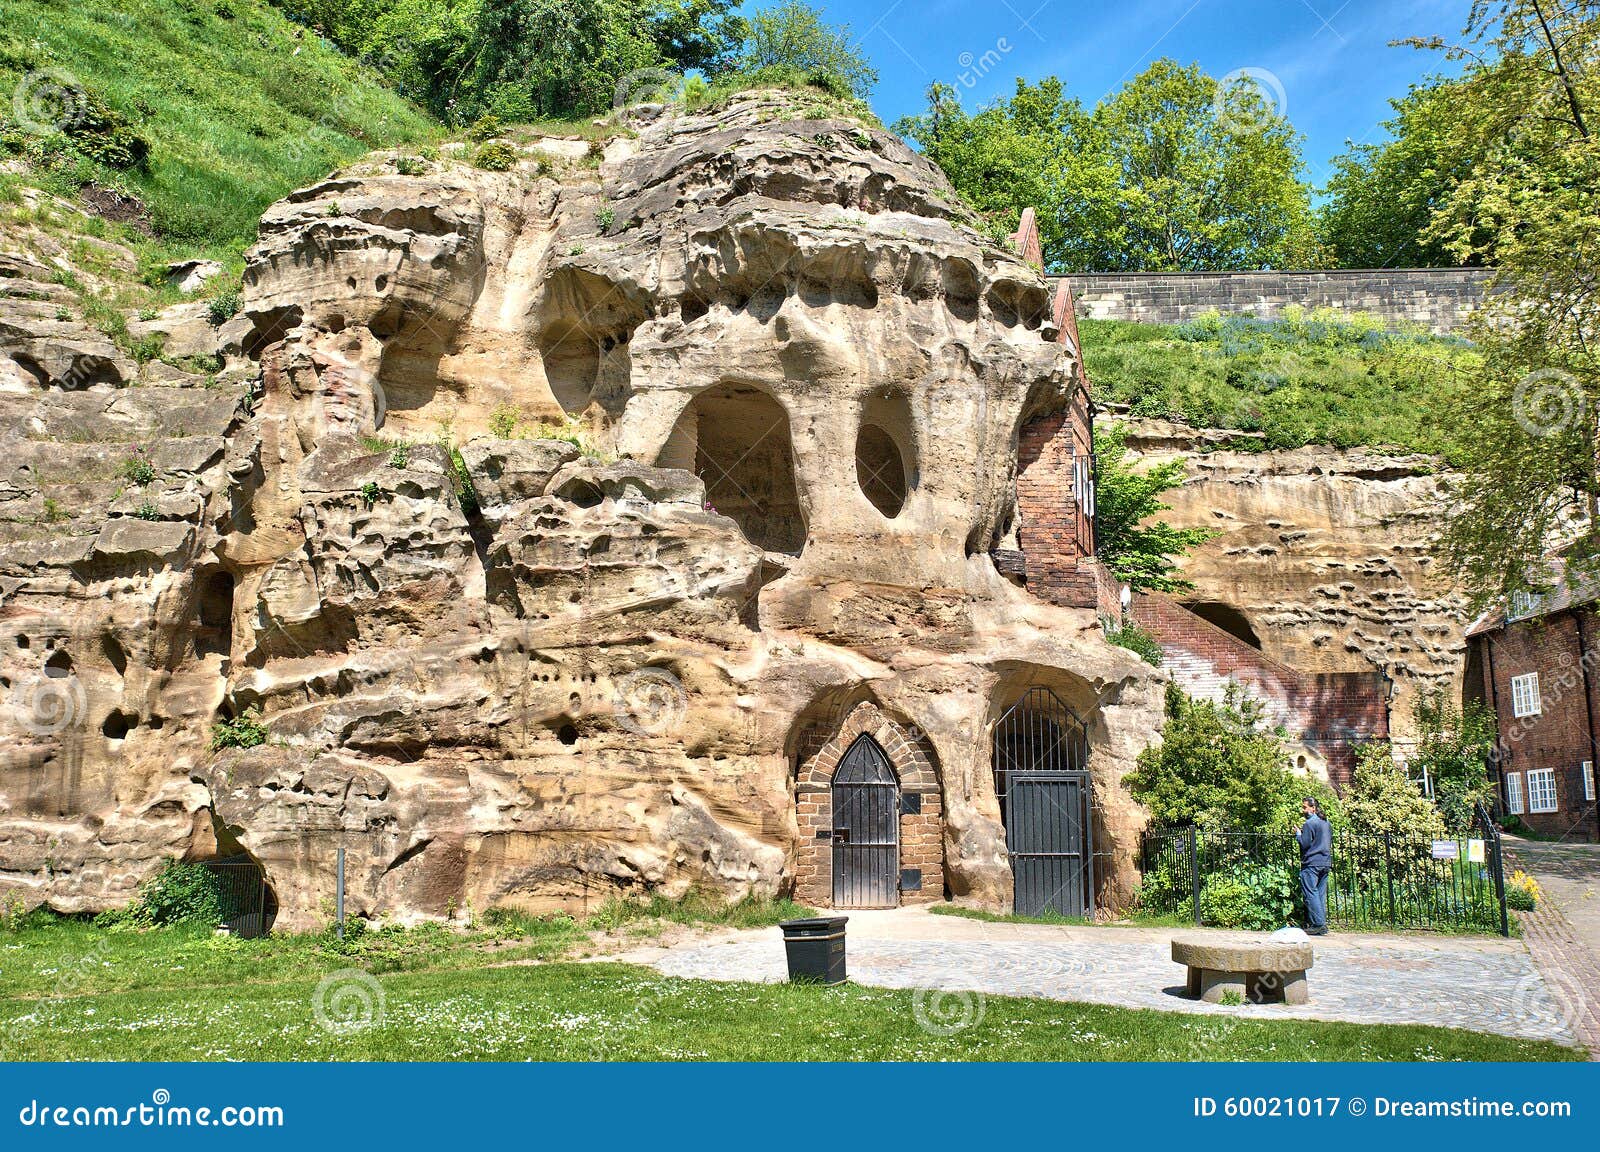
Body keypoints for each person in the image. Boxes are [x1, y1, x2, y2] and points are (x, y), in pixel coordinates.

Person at [1295, 796, 1331, 936]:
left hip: (1312, 863)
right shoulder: (1326, 823)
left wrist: (1298, 834)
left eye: (1305, 807)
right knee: (1319, 894)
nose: (1303, 810)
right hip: (1326, 862)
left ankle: (1319, 924)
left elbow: (1305, 844)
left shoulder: (1309, 824)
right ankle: (1320, 922)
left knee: (1310, 893)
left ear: (1313, 808)